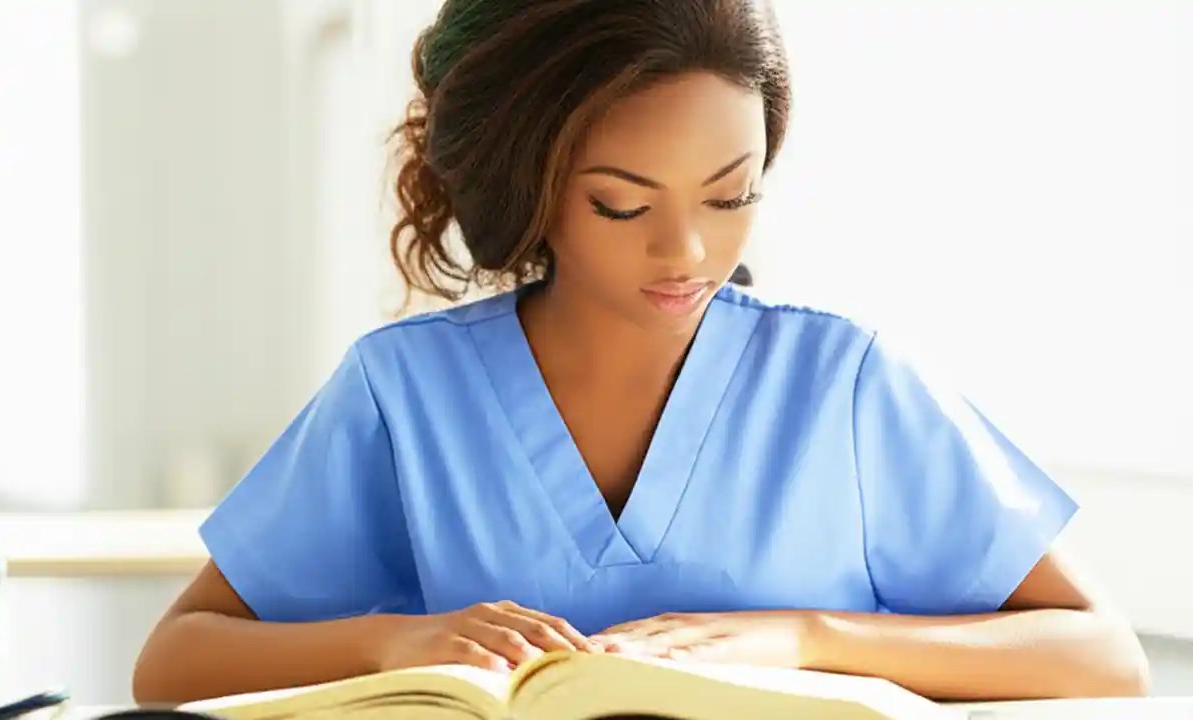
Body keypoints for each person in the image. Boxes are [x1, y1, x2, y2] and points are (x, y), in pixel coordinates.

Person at [134, 0, 1149, 704]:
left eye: (730, 195)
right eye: (620, 203)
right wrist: (396, 642)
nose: (686, 251)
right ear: (522, 184)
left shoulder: (843, 383)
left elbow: (1101, 657)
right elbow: (174, 660)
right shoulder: (406, 393)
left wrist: (806, 638)